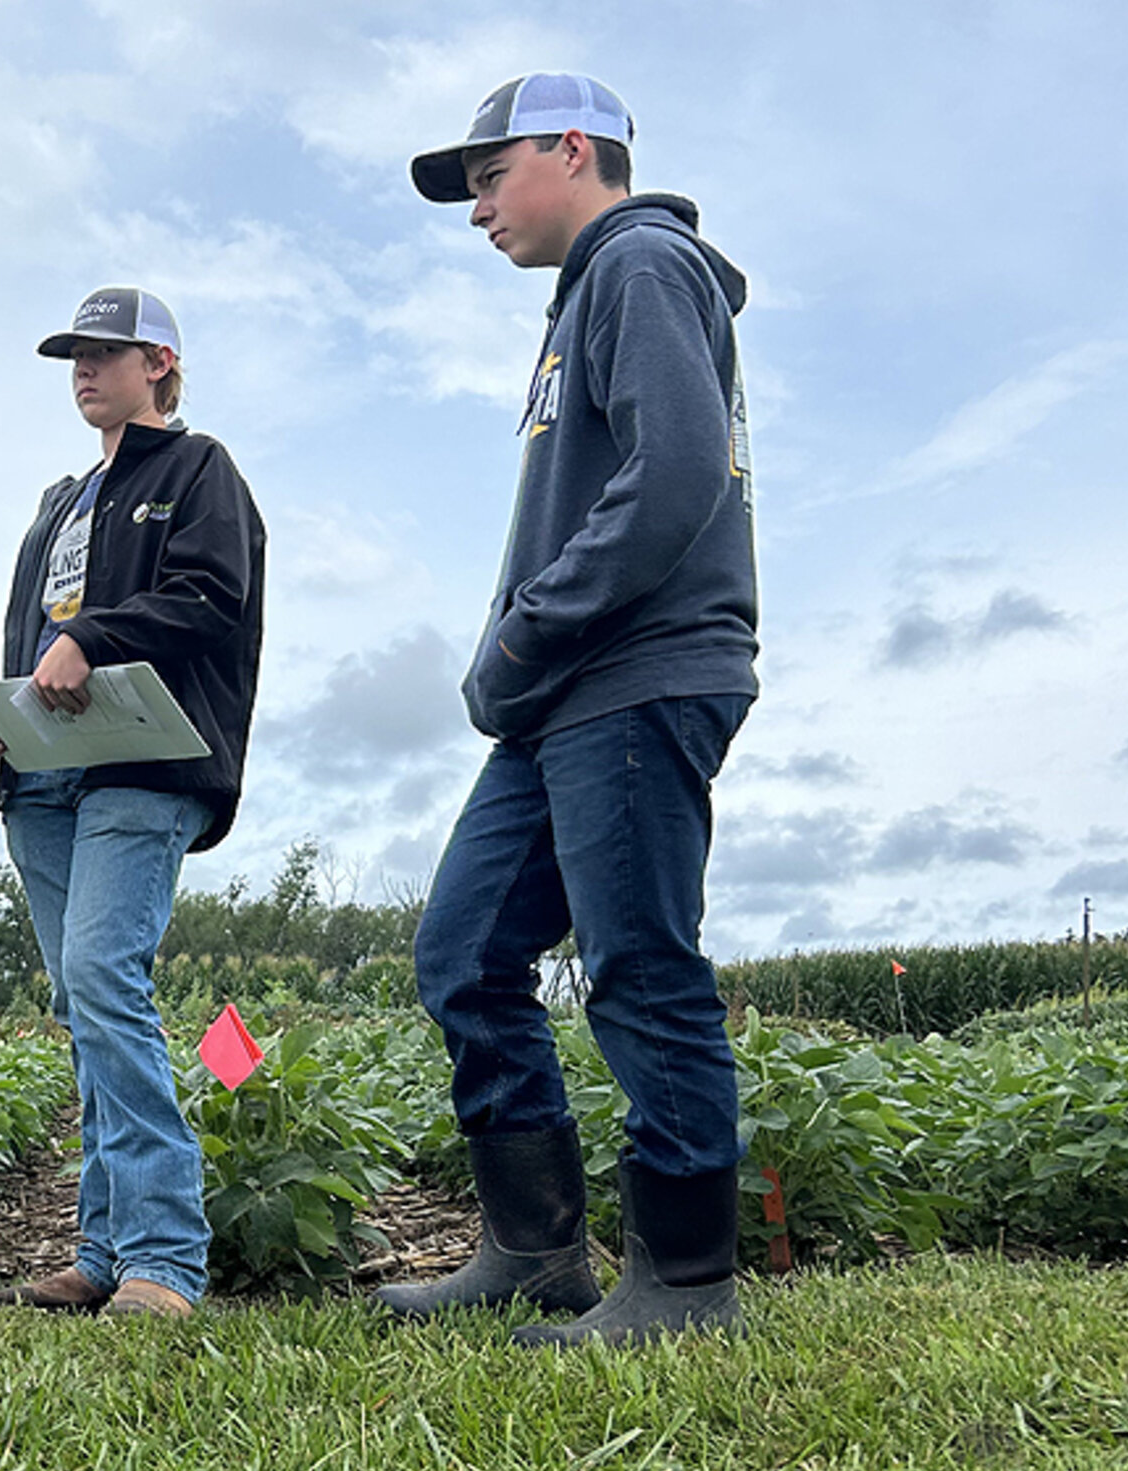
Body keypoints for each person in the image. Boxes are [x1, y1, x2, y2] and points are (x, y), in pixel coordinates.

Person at [383, 74, 758, 1346]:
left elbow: (677, 476)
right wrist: (525, 653)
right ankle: (534, 1252)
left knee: (639, 965)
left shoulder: (642, 264)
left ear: (574, 149)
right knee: (466, 953)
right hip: (562, 694)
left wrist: (525, 628)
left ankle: (686, 1289)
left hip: (637, 670)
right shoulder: (588, 295)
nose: (478, 208)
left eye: (492, 176)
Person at [0, 288, 266, 1320]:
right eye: (73, 357)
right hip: (45, 778)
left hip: (144, 761)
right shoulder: (61, 501)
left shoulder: (199, 470)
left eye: (104, 353)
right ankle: (103, 1248)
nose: (83, 371)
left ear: (160, 363)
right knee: (80, 1003)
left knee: (101, 974)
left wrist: (96, 638)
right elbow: (37, 638)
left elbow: (212, 598)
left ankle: (164, 1259)